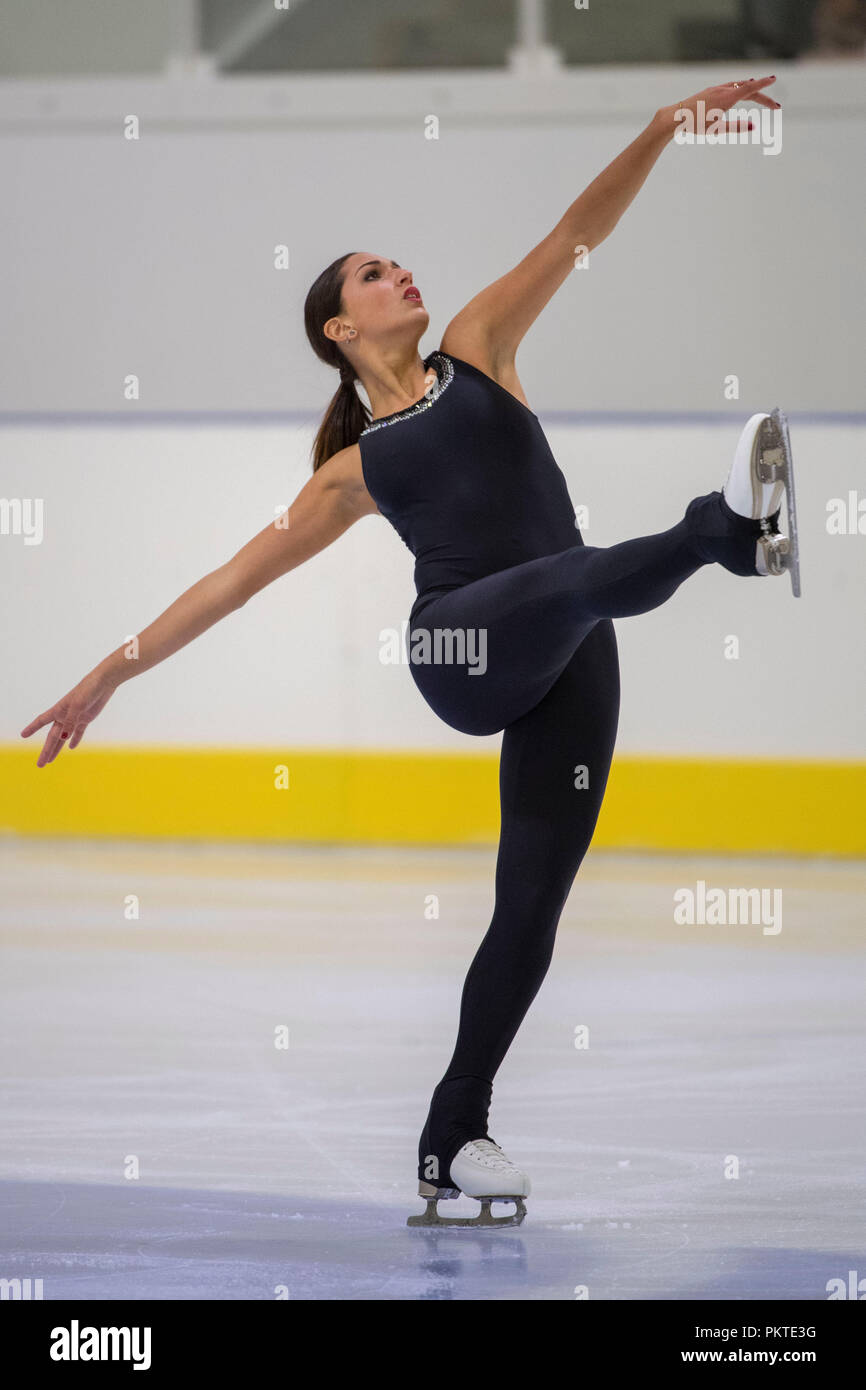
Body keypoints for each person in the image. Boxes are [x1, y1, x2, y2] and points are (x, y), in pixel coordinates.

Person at [20, 76, 798, 1229]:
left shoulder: (481, 345)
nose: (402, 277)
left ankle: (451, 1137)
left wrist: (661, 128)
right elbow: (227, 587)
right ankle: (722, 534)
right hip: (463, 645)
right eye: (374, 275)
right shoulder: (353, 471)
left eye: (397, 265)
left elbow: (576, 232)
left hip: (567, 643)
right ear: (342, 329)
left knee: (528, 904)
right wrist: (108, 671)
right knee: (578, 576)